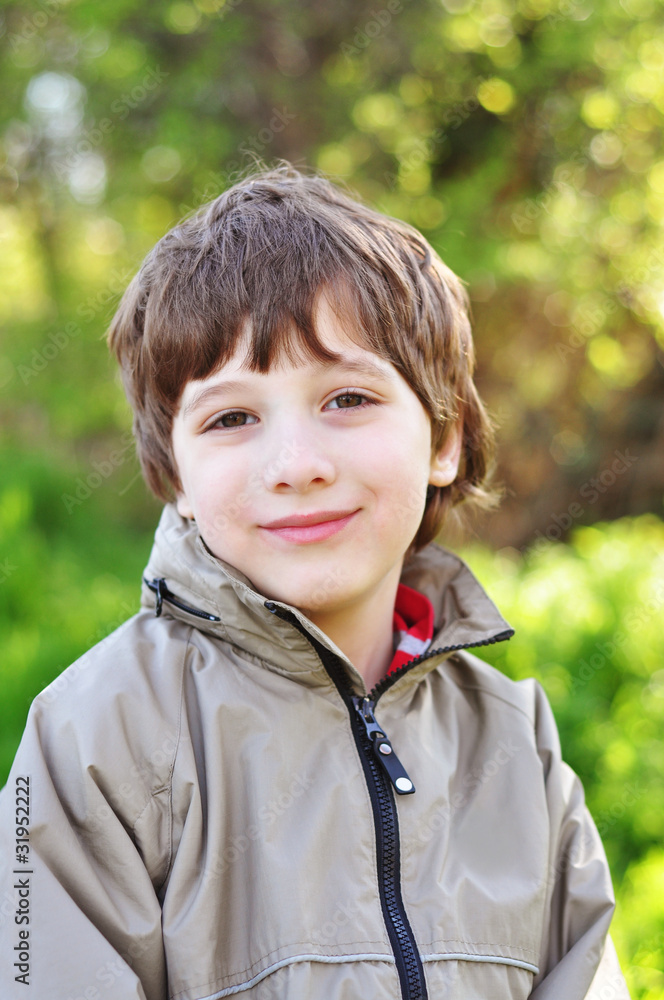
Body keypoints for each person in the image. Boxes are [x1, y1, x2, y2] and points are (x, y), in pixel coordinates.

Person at [0, 162, 630, 1000]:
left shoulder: (518, 750)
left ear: (443, 438)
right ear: (177, 478)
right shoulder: (93, 744)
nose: (296, 465)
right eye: (232, 418)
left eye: (347, 399)